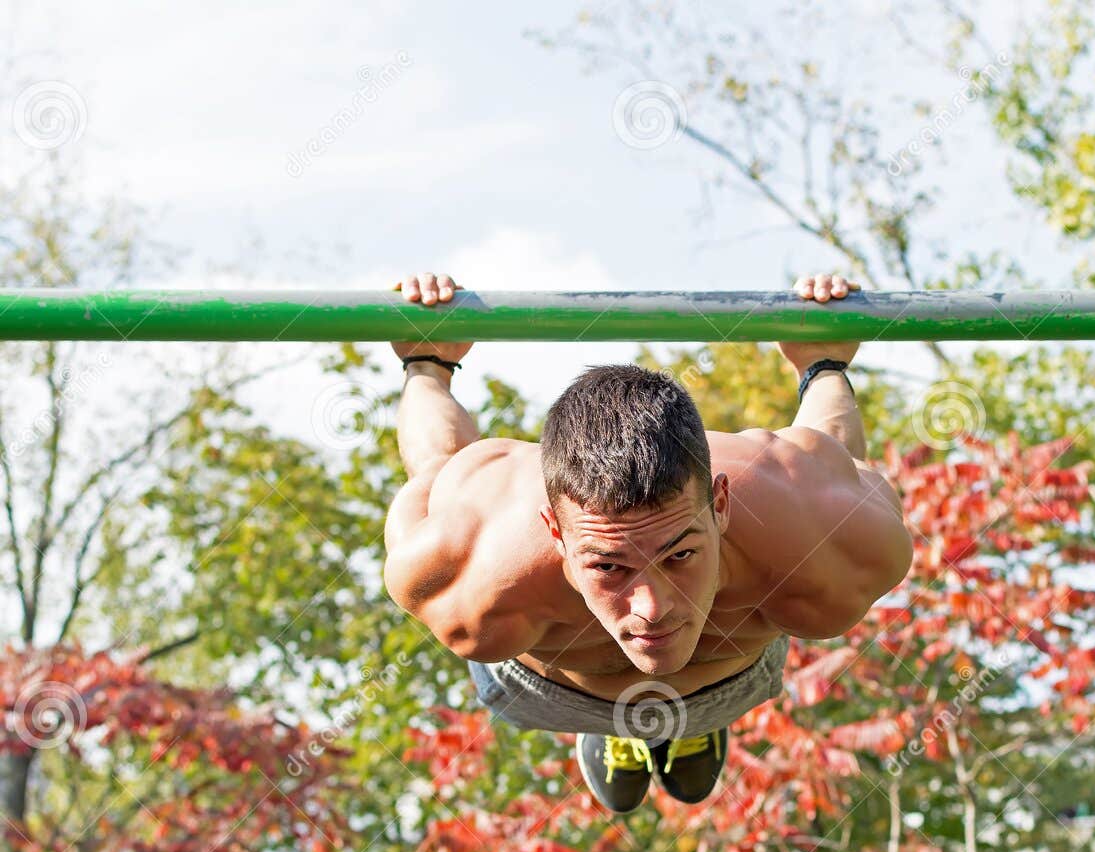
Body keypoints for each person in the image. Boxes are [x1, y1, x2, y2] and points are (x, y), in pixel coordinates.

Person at [381, 271, 912, 813]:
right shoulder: (475, 574)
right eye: (609, 567)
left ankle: (686, 727)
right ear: (555, 534)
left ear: (721, 506)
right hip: (556, 693)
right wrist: (427, 363)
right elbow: (437, 469)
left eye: (679, 555)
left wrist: (824, 363)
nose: (652, 608)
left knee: (812, 561)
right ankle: (622, 731)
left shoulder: (813, 529)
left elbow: (840, 467)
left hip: (727, 684)